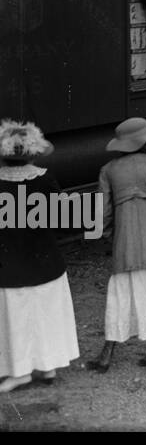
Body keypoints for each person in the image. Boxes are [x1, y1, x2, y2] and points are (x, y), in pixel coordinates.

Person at [86, 118, 146, 373]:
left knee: (120, 297)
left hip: (125, 244)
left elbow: (101, 213)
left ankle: (107, 354)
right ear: (144, 143)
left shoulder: (108, 170)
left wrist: (110, 236)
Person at [0, 121, 80, 392]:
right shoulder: (44, 179)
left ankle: (19, 372)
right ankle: (47, 366)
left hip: (9, 266)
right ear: (33, 154)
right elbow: (66, 221)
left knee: (16, 317)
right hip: (46, 262)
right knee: (44, 313)